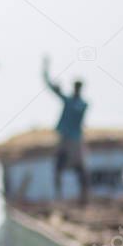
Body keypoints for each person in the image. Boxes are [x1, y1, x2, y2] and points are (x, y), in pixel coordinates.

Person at [42, 56, 89, 205]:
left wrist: (59, 90)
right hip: (66, 139)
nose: (76, 89)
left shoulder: (81, 104)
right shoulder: (71, 101)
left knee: (80, 169)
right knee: (58, 167)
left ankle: (84, 198)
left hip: (74, 141)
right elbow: (51, 86)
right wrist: (46, 69)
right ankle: (59, 196)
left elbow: (76, 109)